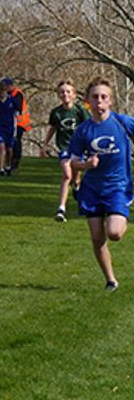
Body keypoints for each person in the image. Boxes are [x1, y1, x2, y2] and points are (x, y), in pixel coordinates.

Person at [68, 78, 134, 291]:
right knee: (97, 238)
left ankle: (118, 214)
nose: (99, 101)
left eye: (104, 97)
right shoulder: (83, 130)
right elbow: (73, 161)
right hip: (92, 189)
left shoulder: (122, 123)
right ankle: (110, 280)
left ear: (111, 101)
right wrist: (86, 164)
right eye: (95, 97)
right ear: (87, 101)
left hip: (118, 186)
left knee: (114, 233)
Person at [44, 80, 90, 222]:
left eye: (68, 91)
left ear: (74, 94)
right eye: (62, 92)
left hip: (79, 149)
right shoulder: (56, 112)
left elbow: (88, 127)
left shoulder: (80, 110)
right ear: (58, 95)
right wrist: (45, 145)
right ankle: (61, 209)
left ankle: (76, 188)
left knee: (76, 178)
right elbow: (52, 128)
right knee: (67, 175)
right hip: (64, 148)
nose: (65, 94)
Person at [0, 80, 18, 176]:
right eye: (0, 91)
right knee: (1, 147)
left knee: (9, 149)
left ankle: (8, 166)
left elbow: (19, 109)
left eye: (4, 91)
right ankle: (1, 169)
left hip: (10, 128)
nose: (2, 93)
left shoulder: (12, 100)